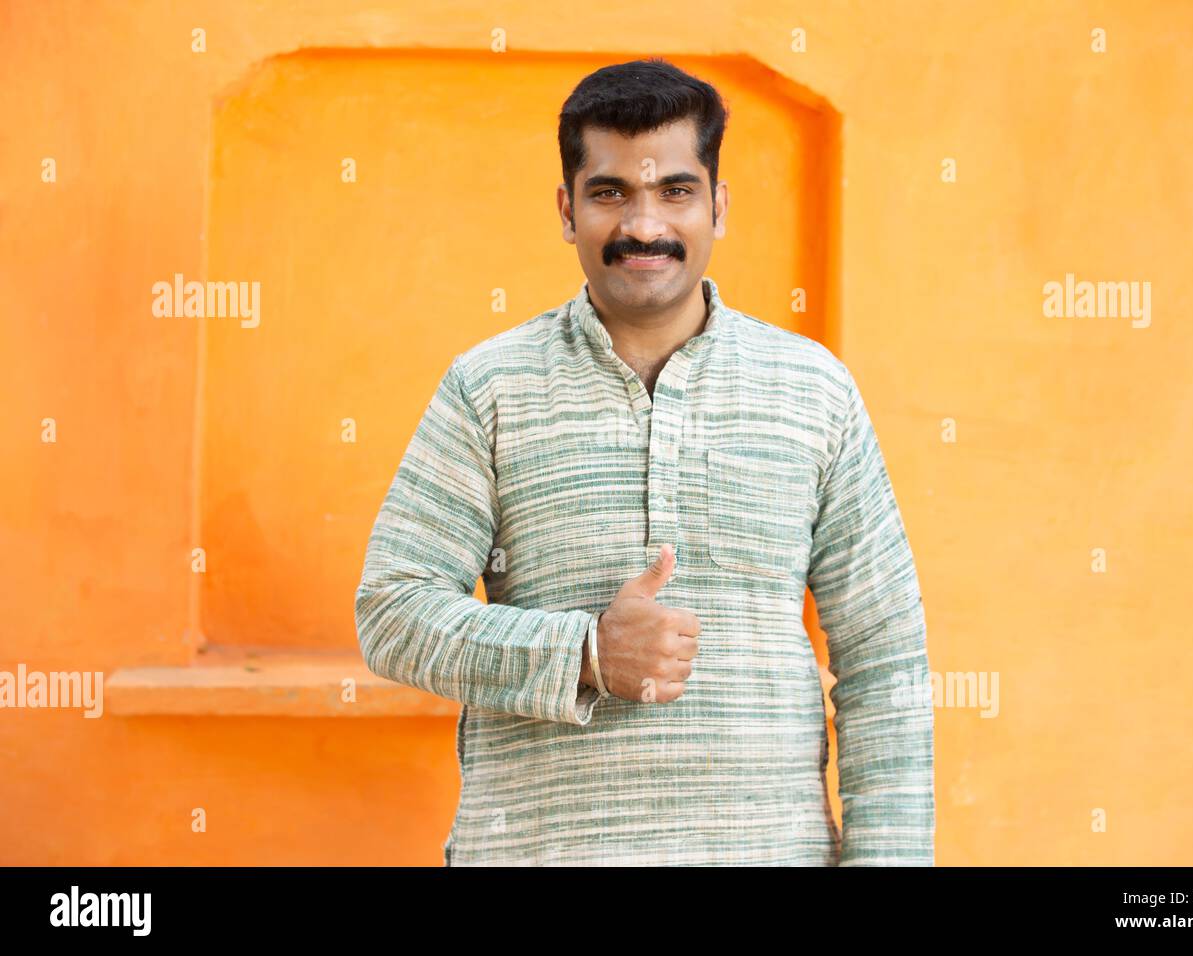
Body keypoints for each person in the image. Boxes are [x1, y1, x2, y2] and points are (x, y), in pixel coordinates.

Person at [354, 57, 934, 865]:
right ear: (567, 210)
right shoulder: (489, 387)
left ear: (718, 205)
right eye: (610, 192)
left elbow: (885, 657)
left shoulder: (813, 391)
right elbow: (392, 612)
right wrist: (585, 652)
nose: (644, 224)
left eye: (676, 191)